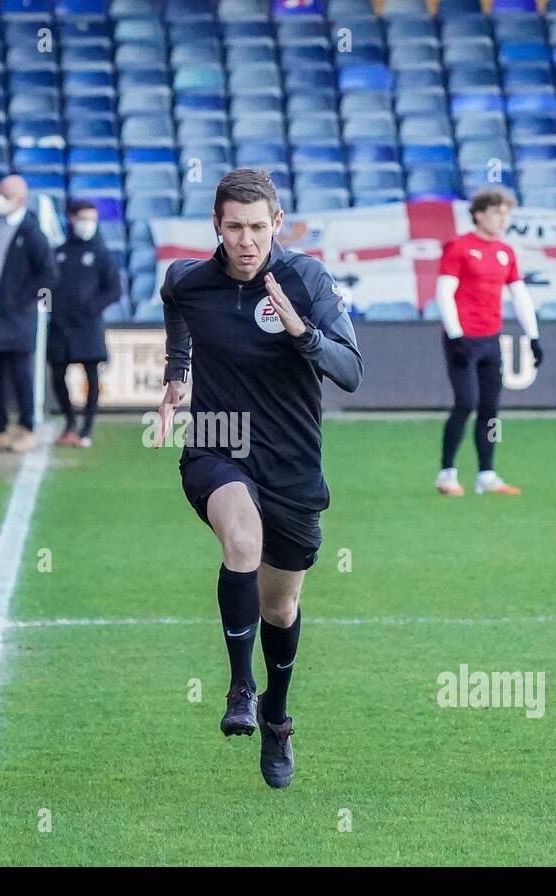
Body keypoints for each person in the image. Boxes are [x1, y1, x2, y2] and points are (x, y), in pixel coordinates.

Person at [157, 168, 362, 789]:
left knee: (282, 605)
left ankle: (275, 712)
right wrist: (177, 368)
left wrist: (301, 331)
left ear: (278, 225)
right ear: (216, 227)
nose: (246, 241)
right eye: (233, 227)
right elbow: (174, 302)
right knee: (241, 538)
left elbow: (350, 370)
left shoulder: (307, 280)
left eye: (257, 227)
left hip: (293, 464)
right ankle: (240, 686)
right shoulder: (191, 280)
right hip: (218, 447)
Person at [434, 187, 543, 497]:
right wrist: (455, 335)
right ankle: (446, 473)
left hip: (490, 339)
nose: (502, 218)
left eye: (506, 213)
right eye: (497, 212)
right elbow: (444, 291)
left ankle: (487, 474)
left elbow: (519, 295)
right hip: (463, 340)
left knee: (490, 408)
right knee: (466, 403)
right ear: (479, 214)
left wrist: (533, 336)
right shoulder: (459, 247)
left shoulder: (505, 252)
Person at [0, 175, 58, 453]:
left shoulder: (31, 233)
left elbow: (48, 274)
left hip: (17, 318)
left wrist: (20, 299)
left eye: (4, 195)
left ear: (19, 199)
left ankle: (27, 427)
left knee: (22, 375)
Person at [48, 198, 119, 448]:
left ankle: (86, 429)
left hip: (88, 326)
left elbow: (114, 290)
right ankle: (69, 423)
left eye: (92, 219)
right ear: (71, 219)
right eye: (83, 218)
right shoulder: (59, 252)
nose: (88, 224)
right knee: (57, 374)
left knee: (91, 375)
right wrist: (48, 311)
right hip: (59, 327)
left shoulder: (101, 253)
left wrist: (91, 308)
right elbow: (46, 288)